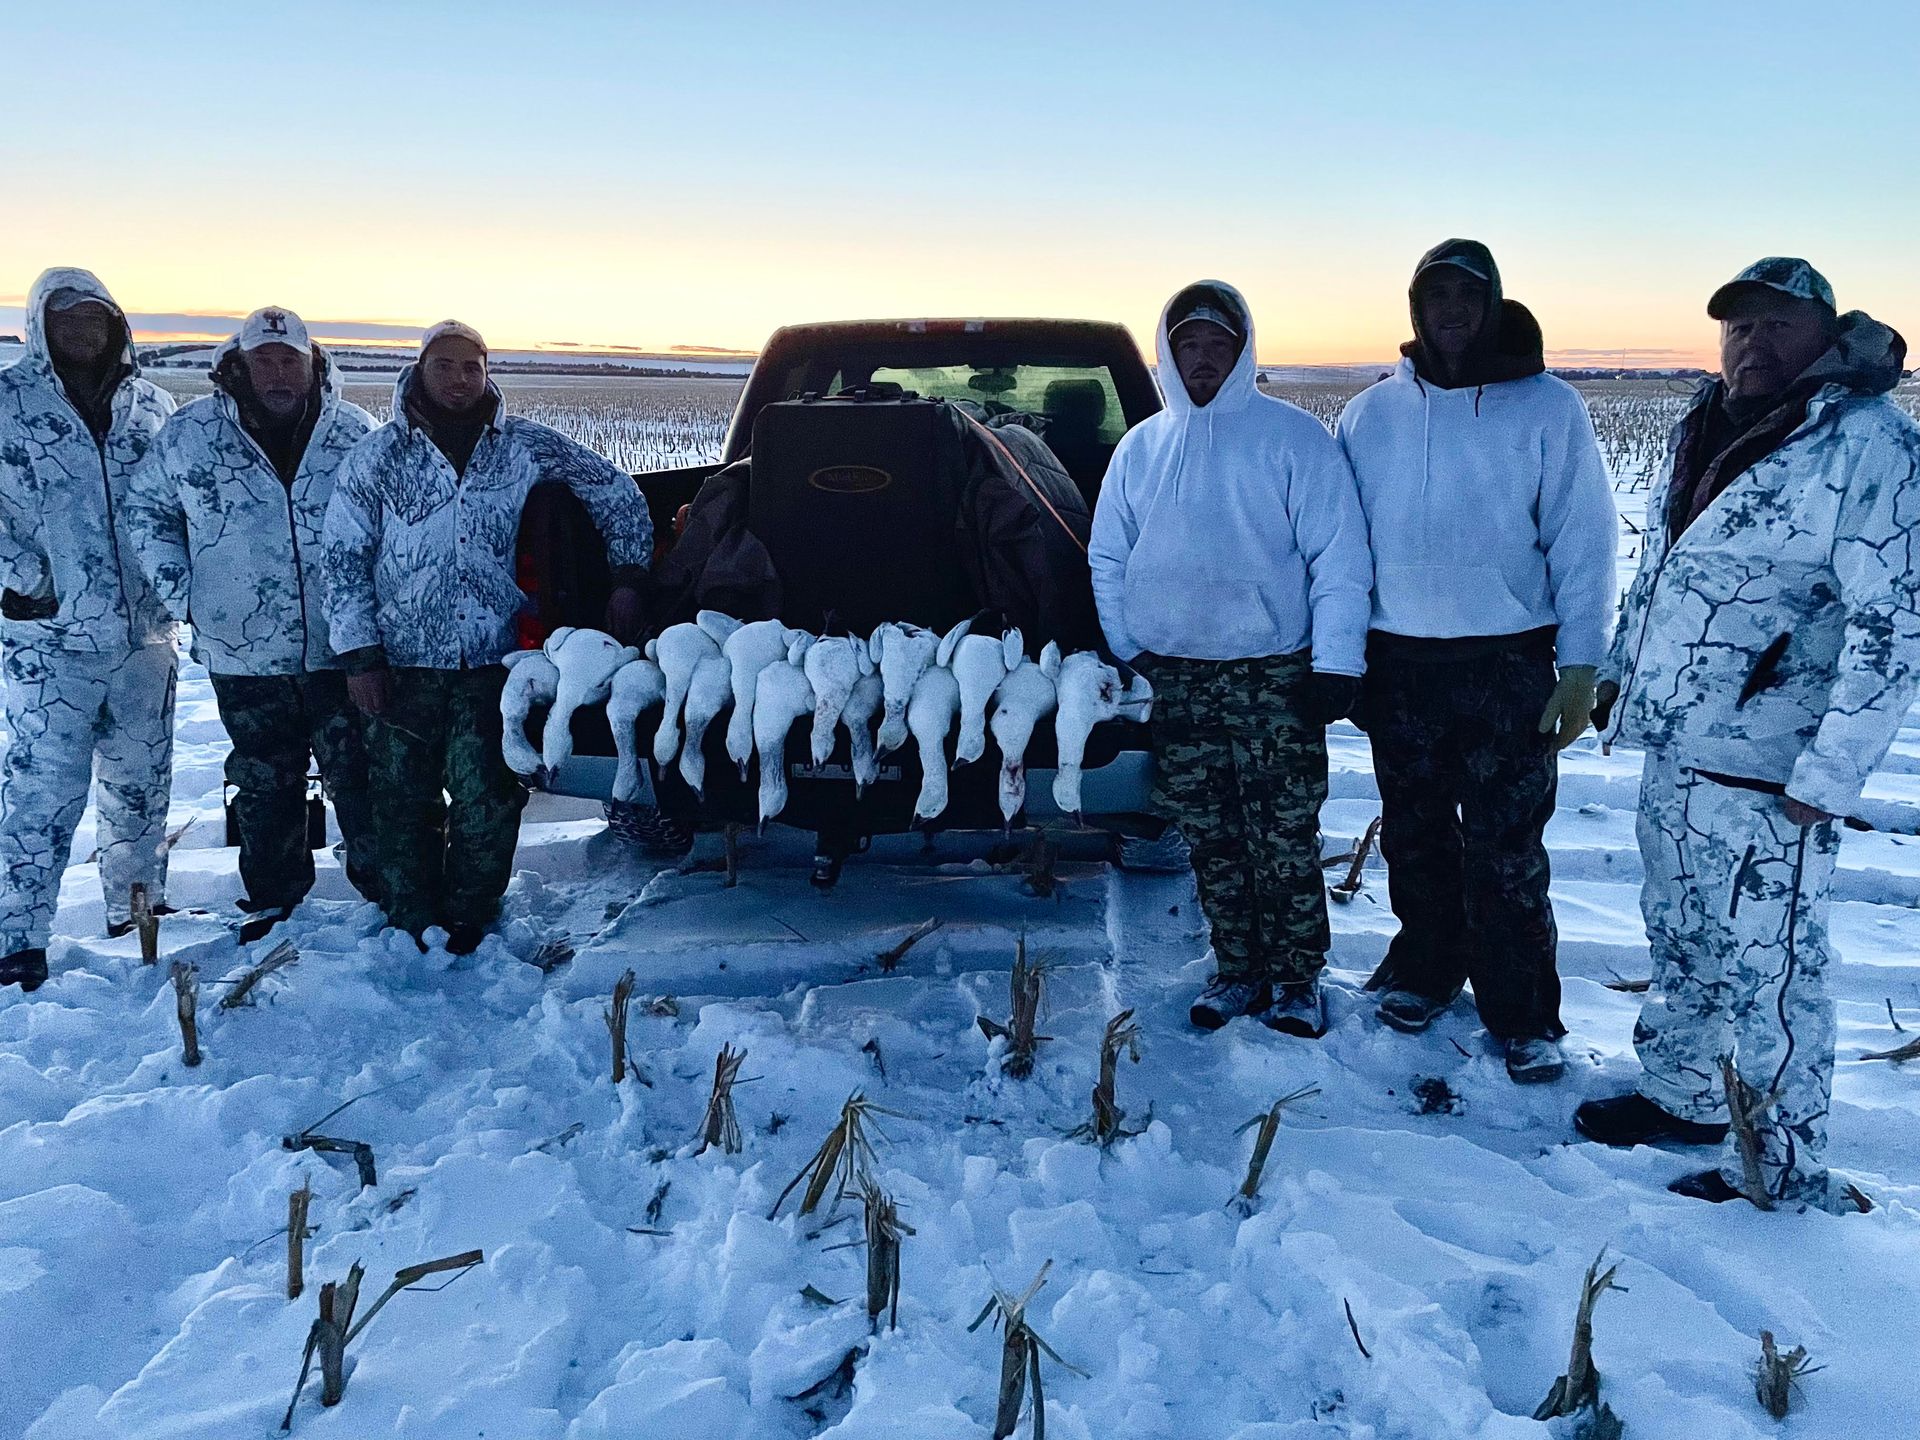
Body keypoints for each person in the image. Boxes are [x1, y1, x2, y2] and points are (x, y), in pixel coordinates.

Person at [1577, 258, 1920, 1210]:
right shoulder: (1708, 422)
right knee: (1681, 932)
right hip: (1680, 741)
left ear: (1825, 333)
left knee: (1773, 970)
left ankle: (1777, 1162)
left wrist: (1834, 769)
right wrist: (1618, 676)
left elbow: (1892, 625)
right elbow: (1661, 574)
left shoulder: (1868, 444)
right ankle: (1683, 1091)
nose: (1752, 343)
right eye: (1738, 326)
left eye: (1775, 325)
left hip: (1775, 766)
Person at [1335, 240, 1618, 1083]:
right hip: (1402, 665)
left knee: (1506, 849)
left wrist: (1582, 663)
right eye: (1436, 295)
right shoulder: (1371, 414)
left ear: (1491, 302)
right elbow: (1341, 550)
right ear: (1415, 308)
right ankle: (1426, 969)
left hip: (1510, 663)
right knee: (1416, 837)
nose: (1451, 310)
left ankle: (1523, 1009)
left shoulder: (1549, 407)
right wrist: (1345, 655)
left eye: (1467, 294)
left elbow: (1585, 540)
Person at [1090, 281, 1372, 1037]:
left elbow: (1338, 559)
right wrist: (1131, 649)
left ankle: (1297, 979)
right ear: (1168, 353)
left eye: (1219, 346)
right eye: (1190, 346)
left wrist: (1336, 663)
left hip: (1273, 676)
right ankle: (1238, 970)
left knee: (1280, 834)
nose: (1204, 360)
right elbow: (1108, 555)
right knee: (1209, 835)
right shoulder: (1141, 448)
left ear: (1243, 352)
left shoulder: (1293, 440)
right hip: (1178, 677)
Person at [321, 320, 653, 953]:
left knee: (489, 800)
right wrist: (361, 655)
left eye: (471, 366)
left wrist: (628, 577)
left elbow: (616, 492)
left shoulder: (522, 447)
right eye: (443, 365)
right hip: (400, 666)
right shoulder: (379, 455)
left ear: (486, 372)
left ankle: (470, 918)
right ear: (419, 369)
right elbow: (342, 557)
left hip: (496, 665)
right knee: (398, 802)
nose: (458, 378)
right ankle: (410, 921)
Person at [125, 307, 380, 944]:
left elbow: (389, 529)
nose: (277, 372)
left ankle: (388, 894)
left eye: (290, 359)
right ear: (238, 365)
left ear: (314, 364)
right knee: (264, 781)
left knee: (362, 774)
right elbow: (145, 511)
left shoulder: (354, 433)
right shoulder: (190, 435)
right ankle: (273, 901)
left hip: (340, 645)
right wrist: (188, 595)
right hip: (243, 651)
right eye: (262, 359)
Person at [0, 268, 178, 991]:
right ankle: (17, 934)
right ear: (41, 325)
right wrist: (20, 576)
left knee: (141, 787)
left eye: (95, 319)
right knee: (41, 792)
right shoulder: (7, 405)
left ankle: (136, 908)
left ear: (116, 326)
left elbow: (179, 504)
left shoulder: (153, 408)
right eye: (66, 318)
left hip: (143, 641)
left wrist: (179, 587)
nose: (82, 330)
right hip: (49, 644)